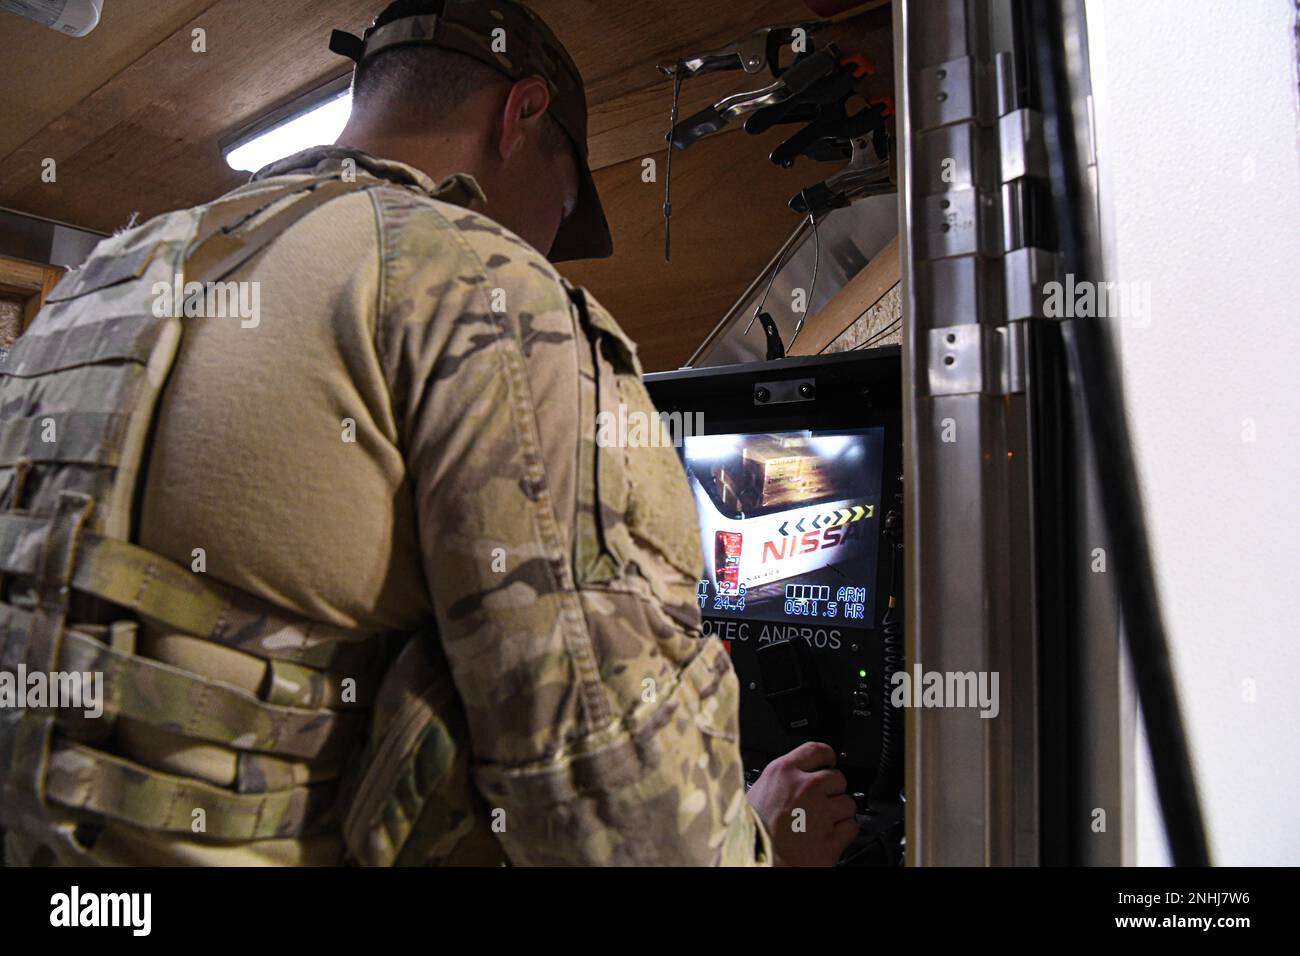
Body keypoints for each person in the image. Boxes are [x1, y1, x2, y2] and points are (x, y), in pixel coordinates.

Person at [0, 0, 858, 866]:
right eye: (560, 209)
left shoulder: (106, 274)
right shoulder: (481, 285)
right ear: (520, 115)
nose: (547, 248)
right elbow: (621, 817)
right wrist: (764, 846)